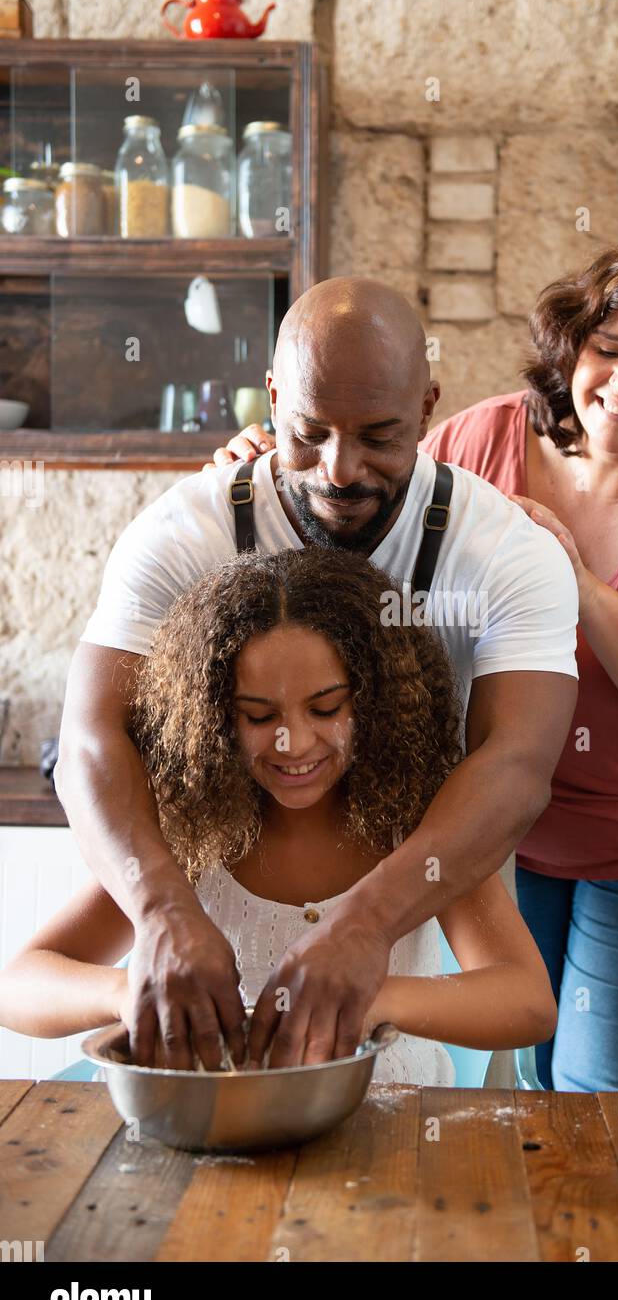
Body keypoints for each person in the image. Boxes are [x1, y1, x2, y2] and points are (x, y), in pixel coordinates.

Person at [217, 239, 618, 1092]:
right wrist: (267, 481)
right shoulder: (480, 438)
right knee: (526, 1073)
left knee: (599, 1086)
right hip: (502, 828)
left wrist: (584, 590)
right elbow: (358, 517)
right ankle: (561, 1230)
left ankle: (600, 1225)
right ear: (572, 348)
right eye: (608, 349)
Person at [55, 277, 578, 1073]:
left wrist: (364, 931)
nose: (339, 469)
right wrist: (160, 914)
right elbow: (92, 736)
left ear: (429, 406)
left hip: (431, 867)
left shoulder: (507, 555)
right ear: (270, 398)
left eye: (377, 434)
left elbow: (515, 764)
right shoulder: (178, 537)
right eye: (307, 433)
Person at [1, 549, 557, 1082]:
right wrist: (126, 993)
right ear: (214, 715)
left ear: (374, 701)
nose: (293, 743)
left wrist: (372, 996)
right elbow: (16, 987)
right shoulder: (191, 833)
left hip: (391, 1135)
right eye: (258, 715)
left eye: (326, 708)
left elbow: (528, 1002)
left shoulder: (417, 828)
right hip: (206, 1132)